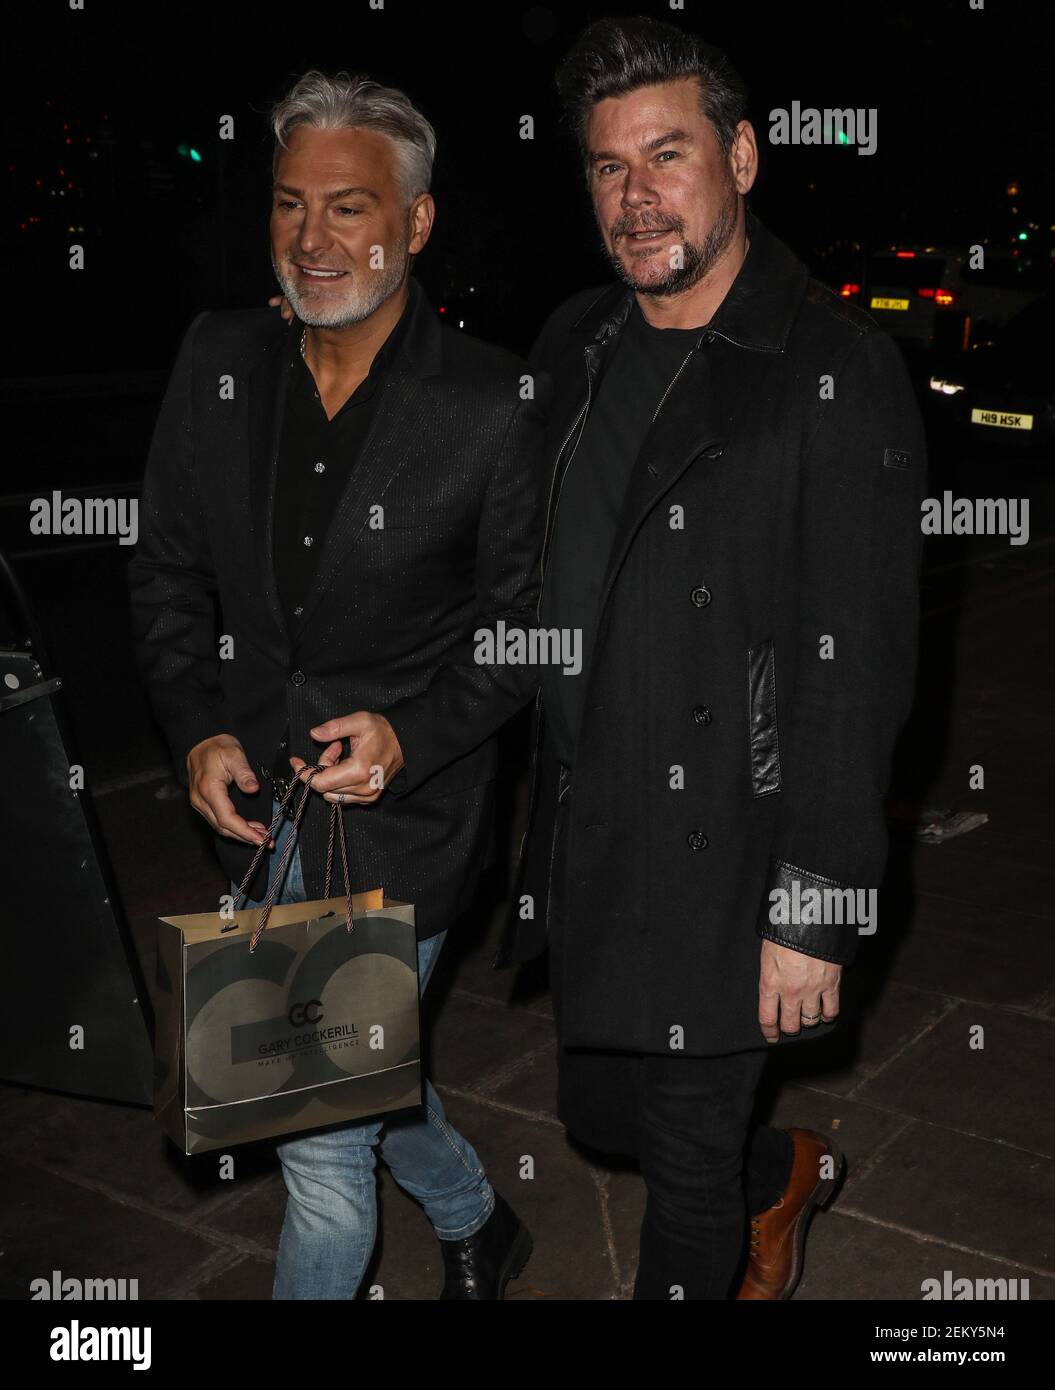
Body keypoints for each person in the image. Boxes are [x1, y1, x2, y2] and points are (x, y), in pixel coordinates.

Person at [496, 16, 927, 1301]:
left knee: (678, 1172)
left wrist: (814, 907)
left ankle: (732, 1200)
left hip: (734, 847)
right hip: (597, 833)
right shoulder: (572, 345)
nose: (636, 196)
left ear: (739, 157)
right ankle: (775, 1175)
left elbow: (859, 670)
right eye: (607, 166)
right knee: (605, 1118)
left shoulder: (833, 369)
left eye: (666, 154)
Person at [130, 70, 544, 1300]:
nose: (314, 240)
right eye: (289, 205)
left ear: (414, 223)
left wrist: (411, 736)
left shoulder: (491, 403)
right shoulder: (218, 356)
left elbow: (527, 633)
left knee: (316, 1145)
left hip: (400, 835)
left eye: (350, 207)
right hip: (259, 821)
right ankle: (478, 1216)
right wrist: (197, 728)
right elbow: (163, 572)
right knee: (348, 1079)